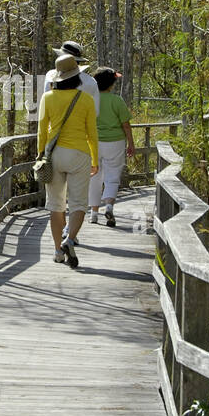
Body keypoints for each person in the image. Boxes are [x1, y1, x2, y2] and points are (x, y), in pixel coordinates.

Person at [37, 53, 98, 267]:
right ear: (78, 77)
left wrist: (40, 154)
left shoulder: (48, 98)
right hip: (80, 154)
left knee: (56, 205)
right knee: (79, 203)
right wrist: (95, 159)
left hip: (54, 155)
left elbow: (42, 131)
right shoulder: (87, 100)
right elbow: (92, 133)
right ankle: (69, 239)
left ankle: (57, 252)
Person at [87, 67, 135, 226]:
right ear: (111, 84)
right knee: (112, 177)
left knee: (94, 177)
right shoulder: (117, 101)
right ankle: (108, 206)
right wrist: (131, 144)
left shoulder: (90, 100)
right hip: (115, 142)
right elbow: (126, 125)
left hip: (93, 142)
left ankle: (93, 214)